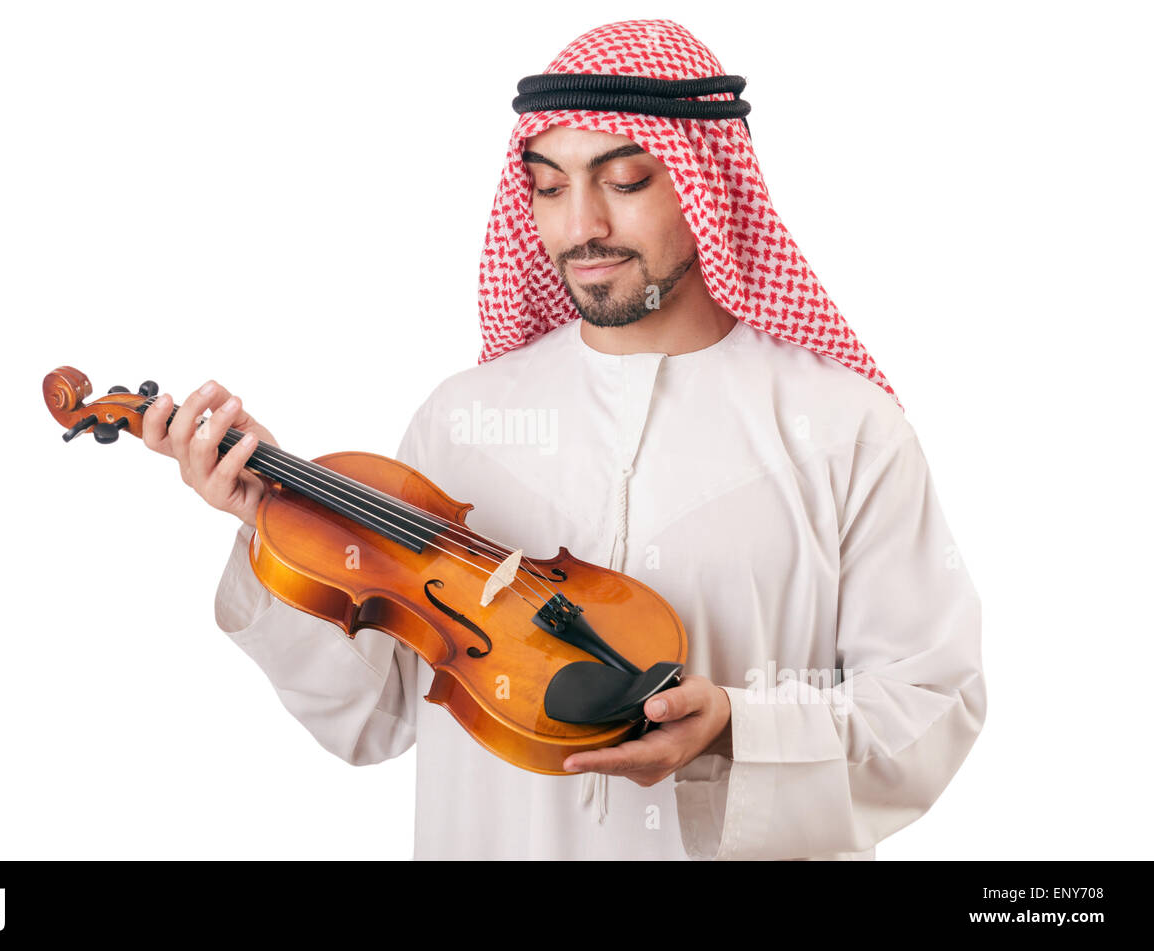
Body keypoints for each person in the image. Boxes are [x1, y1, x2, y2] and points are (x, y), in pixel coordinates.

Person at [141, 19, 985, 860]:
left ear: (708, 183)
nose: (579, 226)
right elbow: (373, 717)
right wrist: (277, 523)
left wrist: (737, 725)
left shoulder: (844, 428)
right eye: (548, 188)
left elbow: (933, 702)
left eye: (623, 181)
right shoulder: (461, 419)